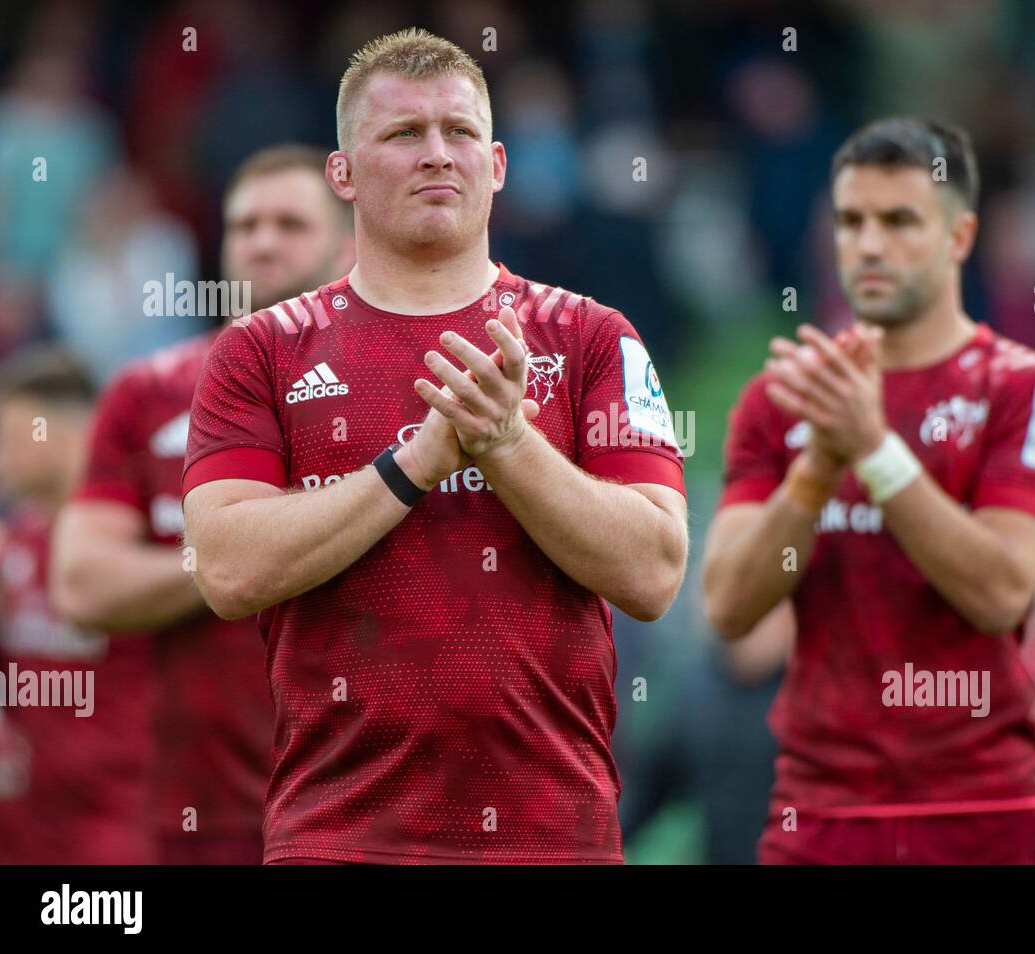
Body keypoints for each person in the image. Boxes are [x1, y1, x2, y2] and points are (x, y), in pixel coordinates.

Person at [180, 28, 687, 865]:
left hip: (554, 836)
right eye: (403, 134)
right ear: (341, 173)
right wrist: (415, 465)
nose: (436, 155)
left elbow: (655, 571)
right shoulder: (261, 350)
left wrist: (504, 441)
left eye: (458, 133)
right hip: (338, 838)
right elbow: (227, 570)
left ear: (495, 165)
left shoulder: (593, 335)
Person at [702, 117, 1035, 864]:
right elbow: (728, 606)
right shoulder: (782, 402)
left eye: (899, 220)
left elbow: (1002, 589)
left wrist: (874, 451)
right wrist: (815, 471)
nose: (869, 244)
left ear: (960, 236)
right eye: (851, 221)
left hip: (985, 812)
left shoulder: (1026, 392)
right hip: (820, 815)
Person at [49, 144, 356, 864]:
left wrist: (258, 543)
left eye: (289, 224)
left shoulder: (401, 386)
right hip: (199, 815)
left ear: (349, 245)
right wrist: (239, 554)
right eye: (244, 225)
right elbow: (82, 584)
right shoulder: (148, 390)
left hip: (367, 810)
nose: (262, 243)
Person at [0, 348, 154, 863]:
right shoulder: (10, 548)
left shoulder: (138, 546)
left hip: (124, 818)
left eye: (8, 440)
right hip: (30, 823)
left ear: (60, 435)